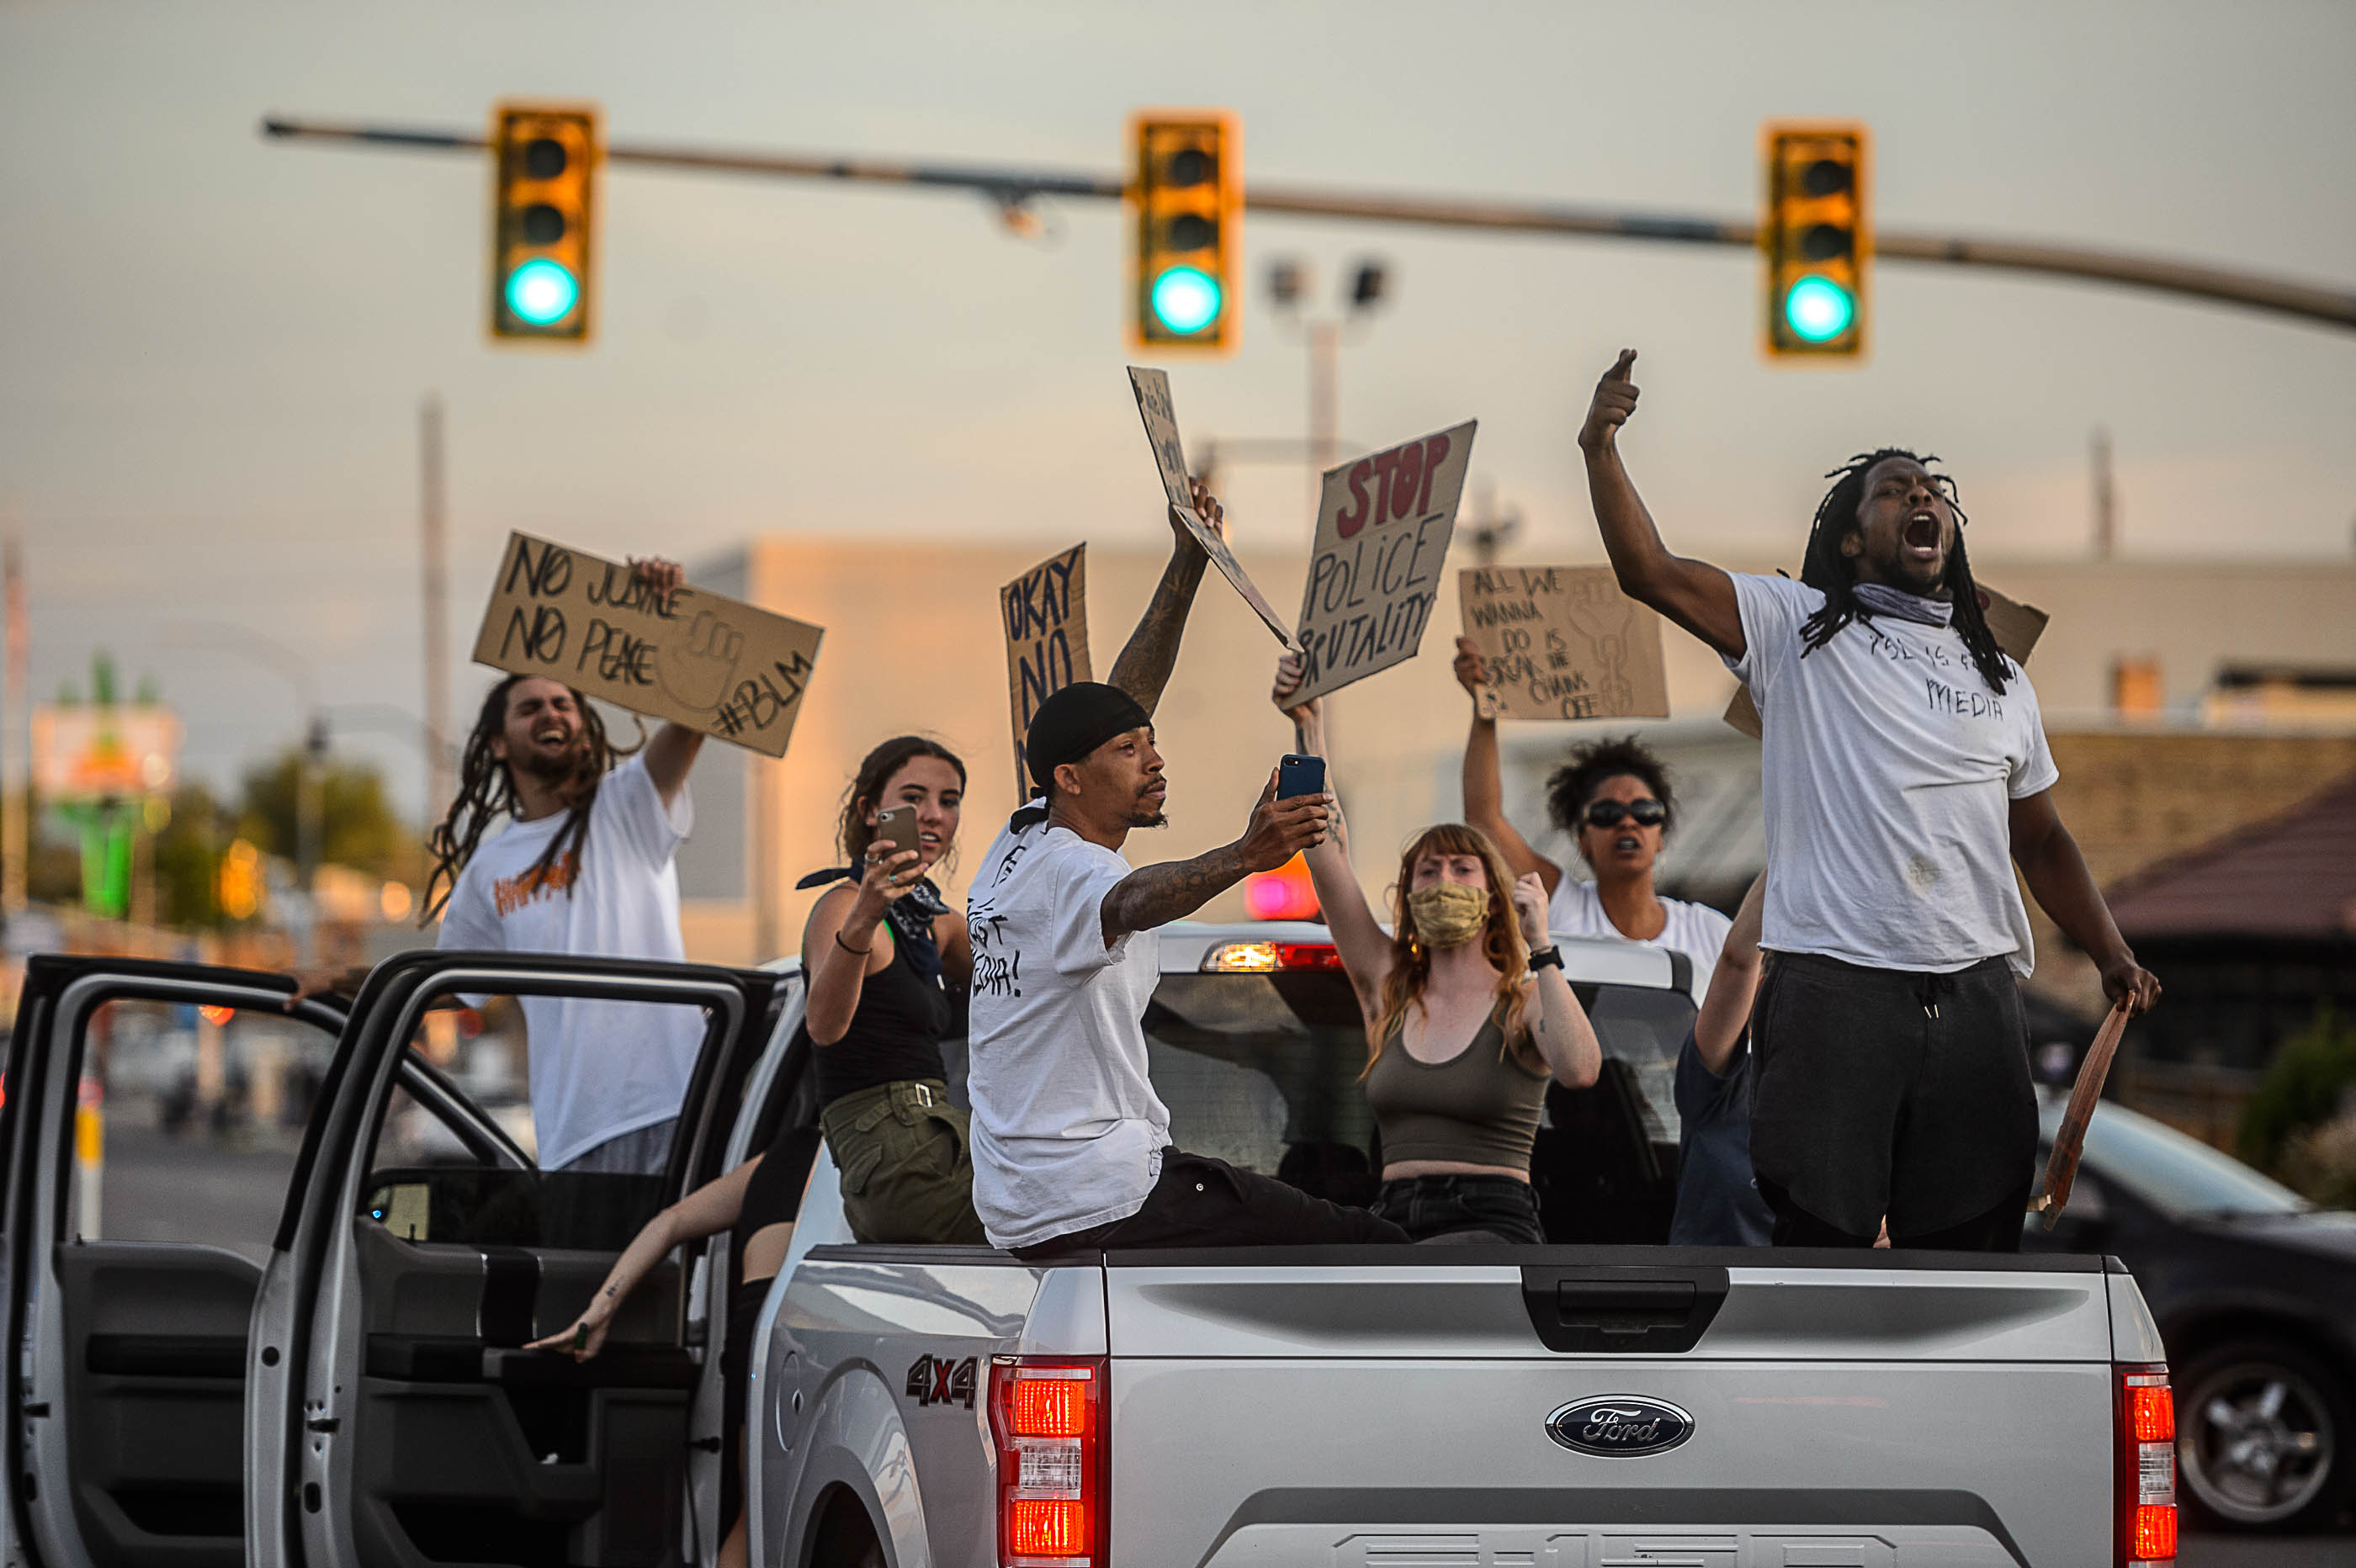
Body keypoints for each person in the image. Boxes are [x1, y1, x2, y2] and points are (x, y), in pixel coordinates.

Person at [1575, 347, 2160, 1253]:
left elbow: (2040, 840)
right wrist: (1599, 449)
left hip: (1975, 991)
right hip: (1831, 984)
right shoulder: (1795, 628)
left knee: (1970, 1240)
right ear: (1851, 538)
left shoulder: (1999, 676)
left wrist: (2110, 950)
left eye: (1932, 490)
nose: (1921, 498)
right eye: (1893, 491)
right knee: (1823, 1232)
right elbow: (1647, 569)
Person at [965, 482, 1410, 1256]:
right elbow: (1131, 900)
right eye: (1130, 752)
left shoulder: (1020, 843)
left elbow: (1120, 699)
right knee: (1371, 1247)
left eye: (1150, 743)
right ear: (1071, 777)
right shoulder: (1071, 875)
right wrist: (1246, 855)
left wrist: (1188, 562)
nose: (1155, 761)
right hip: (1100, 1189)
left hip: (1026, 1200)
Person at [1273, 654, 1602, 1243]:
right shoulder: (1387, 984)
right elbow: (1324, 848)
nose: (1444, 880)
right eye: (1427, 870)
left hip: (1491, 1221)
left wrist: (1542, 947)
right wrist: (1307, 729)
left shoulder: (1522, 999)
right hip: (1395, 1216)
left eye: (1461, 868)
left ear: (1494, 895)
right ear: (1409, 891)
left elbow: (1580, 1069)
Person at [424, 558, 712, 1175]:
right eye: (530, 708)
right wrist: (339, 980)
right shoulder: (489, 866)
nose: (551, 712)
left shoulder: (628, 803)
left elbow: (693, 721)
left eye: (564, 703)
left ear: (583, 728)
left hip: (678, 1109)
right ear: (498, 744)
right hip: (573, 1135)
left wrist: (674, 618)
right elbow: (445, 985)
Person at [524, 1120, 821, 1568]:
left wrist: (598, 1311)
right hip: (809, 1325)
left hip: (754, 1332)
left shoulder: (781, 1155)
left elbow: (671, 1221)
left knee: (754, 1519)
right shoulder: (870, 1159)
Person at [792, 734, 985, 1245]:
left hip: (940, 1137)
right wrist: (864, 920)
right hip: (895, 1154)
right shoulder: (844, 905)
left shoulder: (934, 920)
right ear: (870, 810)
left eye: (949, 801)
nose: (932, 815)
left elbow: (1018, 985)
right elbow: (824, 1027)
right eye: (913, 798)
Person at [1450, 657, 1733, 999]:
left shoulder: (1710, 932)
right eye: (1606, 812)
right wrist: (1485, 707)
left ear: (1660, 837)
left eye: (1645, 811)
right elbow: (1484, 820)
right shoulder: (1558, 905)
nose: (1627, 822)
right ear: (1582, 839)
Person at [1669, 872, 1775, 1247]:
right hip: (1716, 1300)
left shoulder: (1852, 1097)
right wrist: (1793, 841)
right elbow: (1738, 960)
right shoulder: (1720, 1088)